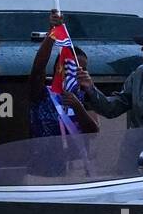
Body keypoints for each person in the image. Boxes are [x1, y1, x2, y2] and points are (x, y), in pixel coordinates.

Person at [28, 9, 98, 137]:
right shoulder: (43, 94)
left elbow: (93, 131)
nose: (77, 72)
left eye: (83, 69)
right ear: (58, 69)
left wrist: (77, 107)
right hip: (44, 156)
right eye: (70, 67)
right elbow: (38, 70)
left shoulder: (85, 96)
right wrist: (53, 32)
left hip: (76, 156)